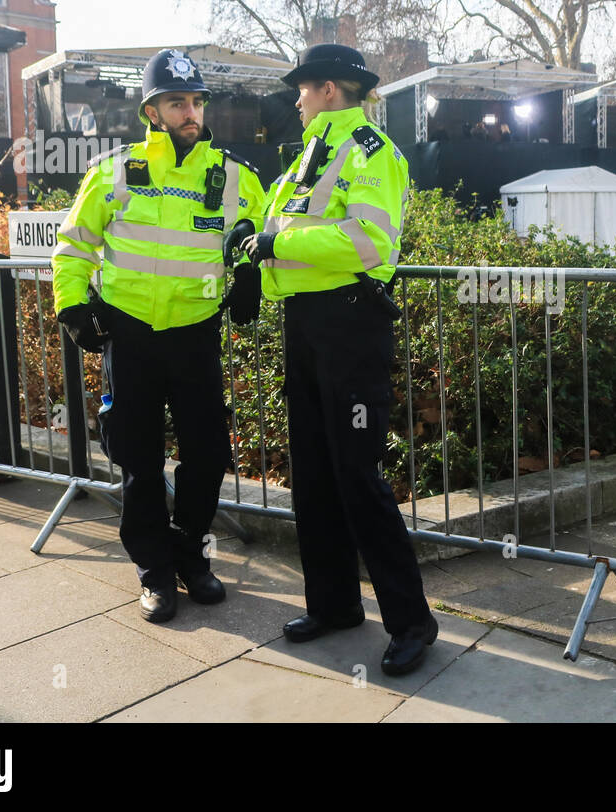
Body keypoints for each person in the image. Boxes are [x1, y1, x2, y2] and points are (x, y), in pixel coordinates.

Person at [230, 43, 438, 677]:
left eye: (302, 89)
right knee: (314, 473)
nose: (295, 100)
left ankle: (412, 622)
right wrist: (253, 254)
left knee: (357, 476)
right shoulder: (309, 154)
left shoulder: (371, 151)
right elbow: (285, 229)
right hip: (307, 325)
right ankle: (334, 604)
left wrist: (273, 243)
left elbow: (368, 241)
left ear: (327, 90)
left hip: (350, 325)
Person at [52, 49, 265, 624]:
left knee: (207, 454)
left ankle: (192, 556)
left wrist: (252, 274)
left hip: (196, 335)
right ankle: (153, 570)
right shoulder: (113, 172)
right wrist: (72, 305)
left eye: (196, 102)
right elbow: (74, 246)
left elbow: (256, 238)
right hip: (131, 337)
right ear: (152, 111)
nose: (190, 112)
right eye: (177, 103)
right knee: (138, 460)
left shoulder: (237, 177)